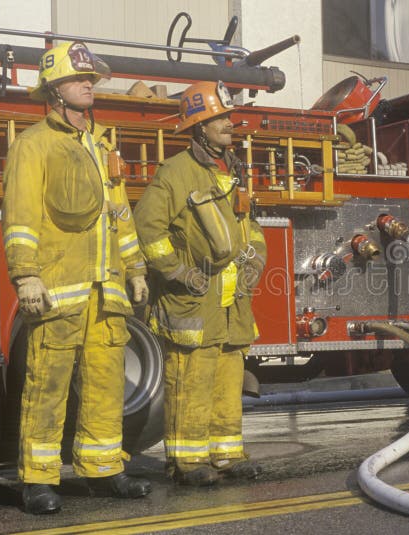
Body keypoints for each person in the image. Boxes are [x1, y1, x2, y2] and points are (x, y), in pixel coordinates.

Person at [1, 41, 152, 515]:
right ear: (54, 90)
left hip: (104, 294)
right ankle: (38, 479)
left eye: (90, 78)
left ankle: (104, 468)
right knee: (46, 385)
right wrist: (25, 276)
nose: (89, 83)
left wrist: (136, 267)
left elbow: (120, 213)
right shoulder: (33, 145)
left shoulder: (102, 144)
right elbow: (20, 217)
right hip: (59, 292)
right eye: (77, 78)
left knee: (105, 383)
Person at [134, 80, 266, 487]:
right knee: (191, 380)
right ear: (199, 127)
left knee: (228, 377)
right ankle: (188, 463)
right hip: (193, 301)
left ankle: (225, 454)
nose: (229, 124)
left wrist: (256, 258)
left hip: (231, 304)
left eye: (228, 116)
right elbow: (146, 229)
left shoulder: (232, 170)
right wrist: (177, 272)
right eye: (219, 118)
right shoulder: (176, 173)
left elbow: (251, 227)